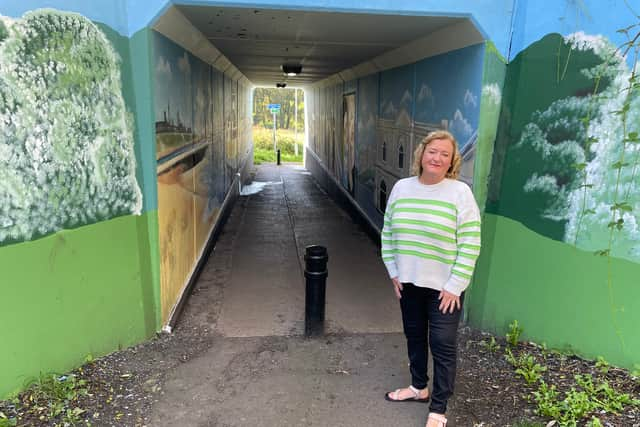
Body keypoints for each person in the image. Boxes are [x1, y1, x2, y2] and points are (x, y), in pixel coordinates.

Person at [381, 130, 481, 427]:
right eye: (432, 151)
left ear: (451, 162)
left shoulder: (459, 193)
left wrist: (455, 285)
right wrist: (394, 272)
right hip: (409, 283)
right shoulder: (401, 188)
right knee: (414, 335)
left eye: (444, 154)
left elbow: (471, 242)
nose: (436, 158)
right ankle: (418, 387)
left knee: (442, 343)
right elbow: (388, 233)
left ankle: (438, 407)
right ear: (421, 154)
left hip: (444, 290)